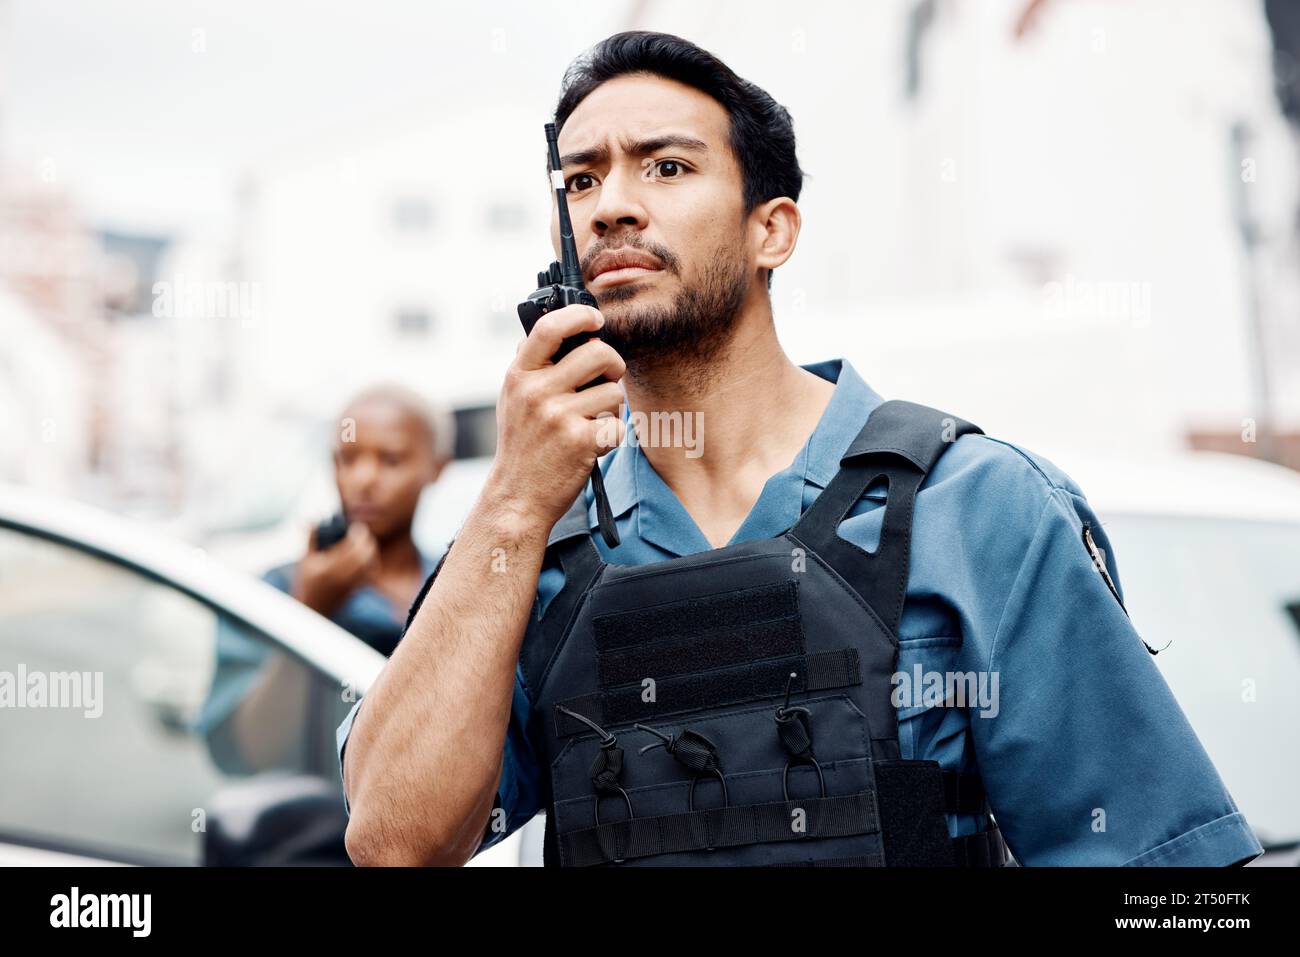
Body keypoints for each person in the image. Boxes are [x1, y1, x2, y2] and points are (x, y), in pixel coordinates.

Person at [337, 32, 1263, 867]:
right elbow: (390, 842)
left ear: (770, 228)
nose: (612, 204)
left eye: (664, 167)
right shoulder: (528, 544)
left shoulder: (975, 508)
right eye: (579, 180)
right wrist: (511, 500)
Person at [194, 384, 451, 774]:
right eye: (347, 459)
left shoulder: (455, 588)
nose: (364, 478)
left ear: (436, 468)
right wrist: (310, 610)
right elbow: (246, 751)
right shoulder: (275, 592)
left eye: (391, 460)